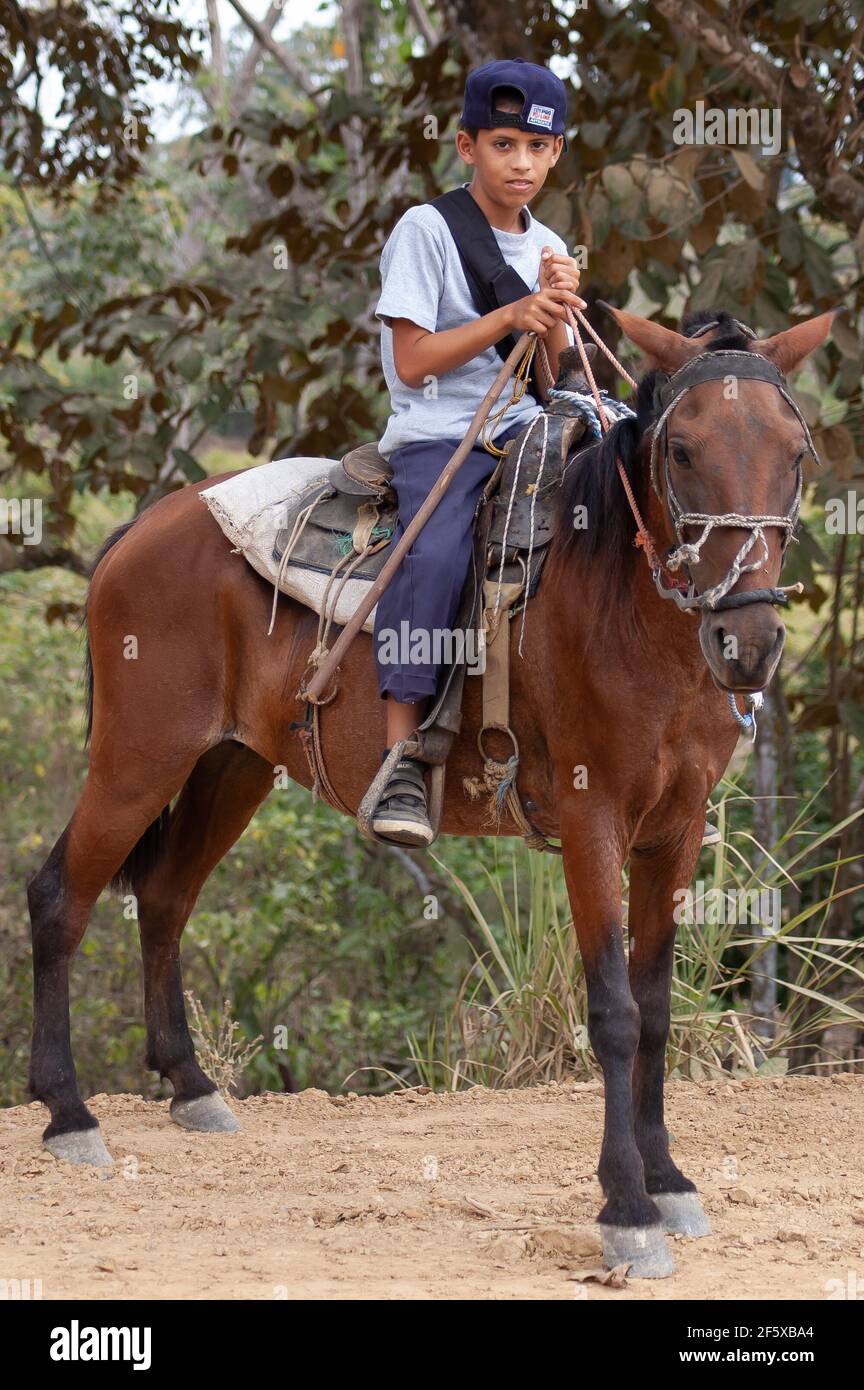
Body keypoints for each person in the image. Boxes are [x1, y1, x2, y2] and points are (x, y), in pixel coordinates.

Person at [370, 58, 582, 846]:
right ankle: (400, 754)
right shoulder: (427, 230)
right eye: (502, 144)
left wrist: (557, 310)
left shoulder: (551, 242)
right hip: (443, 433)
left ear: (557, 152)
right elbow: (414, 362)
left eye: (536, 145)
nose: (520, 163)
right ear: (466, 146)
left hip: (526, 426)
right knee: (431, 557)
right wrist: (514, 313)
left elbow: (550, 372)